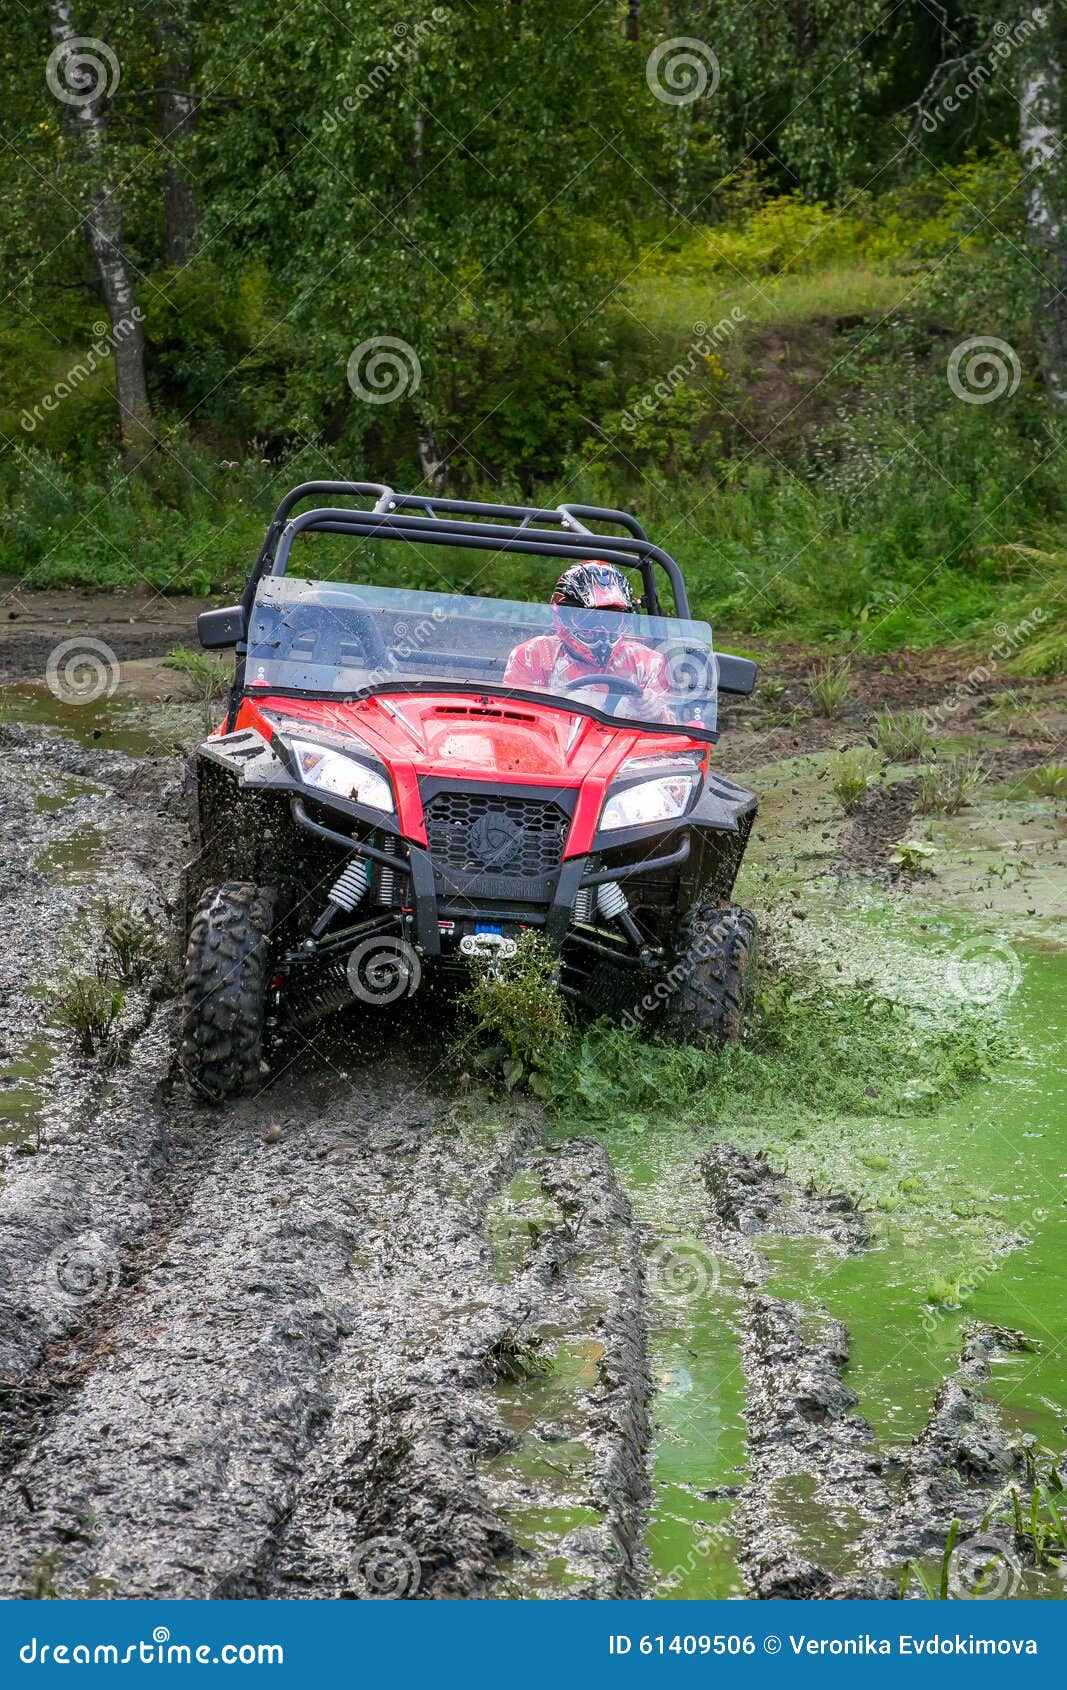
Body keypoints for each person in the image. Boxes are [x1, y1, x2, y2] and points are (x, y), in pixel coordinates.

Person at [502, 561, 675, 721]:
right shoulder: (534, 655)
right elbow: (514, 723)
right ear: (562, 615)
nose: (600, 630)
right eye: (589, 619)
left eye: (611, 619)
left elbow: (677, 738)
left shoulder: (647, 663)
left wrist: (656, 713)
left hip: (627, 751)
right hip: (552, 748)